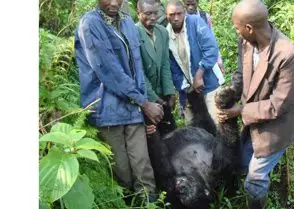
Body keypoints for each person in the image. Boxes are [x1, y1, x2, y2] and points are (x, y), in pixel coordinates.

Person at [217, 0, 294, 208]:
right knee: (243, 162)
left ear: (249, 28)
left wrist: (239, 111)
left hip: (276, 127)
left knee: (255, 178)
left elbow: (278, 105)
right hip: (253, 120)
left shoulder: (287, 55)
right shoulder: (247, 42)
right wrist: (230, 95)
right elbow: (241, 74)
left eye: (237, 28)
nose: (236, 32)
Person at [74, 0, 163, 202]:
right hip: (107, 109)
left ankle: (148, 204)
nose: (114, 3)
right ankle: (127, 204)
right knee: (121, 170)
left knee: (143, 165)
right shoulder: (90, 24)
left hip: (133, 108)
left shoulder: (127, 22)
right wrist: (144, 103)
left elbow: (137, 67)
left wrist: (144, 105)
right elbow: (108, 69)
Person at [165, 0, 224, 125]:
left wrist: (199, 73)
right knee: (194, 132)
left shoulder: (195, 22)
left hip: (210, 83)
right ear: (166, 16)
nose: (175, 18)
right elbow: (173, 67)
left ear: (184, 13)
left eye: (179, 14)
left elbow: (211, 49)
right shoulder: (167, 34)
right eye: (171, 15)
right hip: (188, 89)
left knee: (217, 124)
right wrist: (184, 88)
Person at [136, 0, 177, 135]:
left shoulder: (162, 32)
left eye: (155, 13)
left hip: (161, 93)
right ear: (139, 14)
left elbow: (165, 63)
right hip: (144, 97)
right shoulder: (134, 33)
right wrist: (154, 98)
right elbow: (138, 71)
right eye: (148, 13)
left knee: (171, 134)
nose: (153, 17)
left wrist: (169, 92)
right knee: (153, 139)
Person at [182, 0, 226, 74]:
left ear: (198, 2)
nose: (190, 7)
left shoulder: (205, 17)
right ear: (183, 3)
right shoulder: (181, 18)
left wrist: (218, 59)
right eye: (187, 4)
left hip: (205, 57)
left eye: (193, 4)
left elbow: (211, 39)